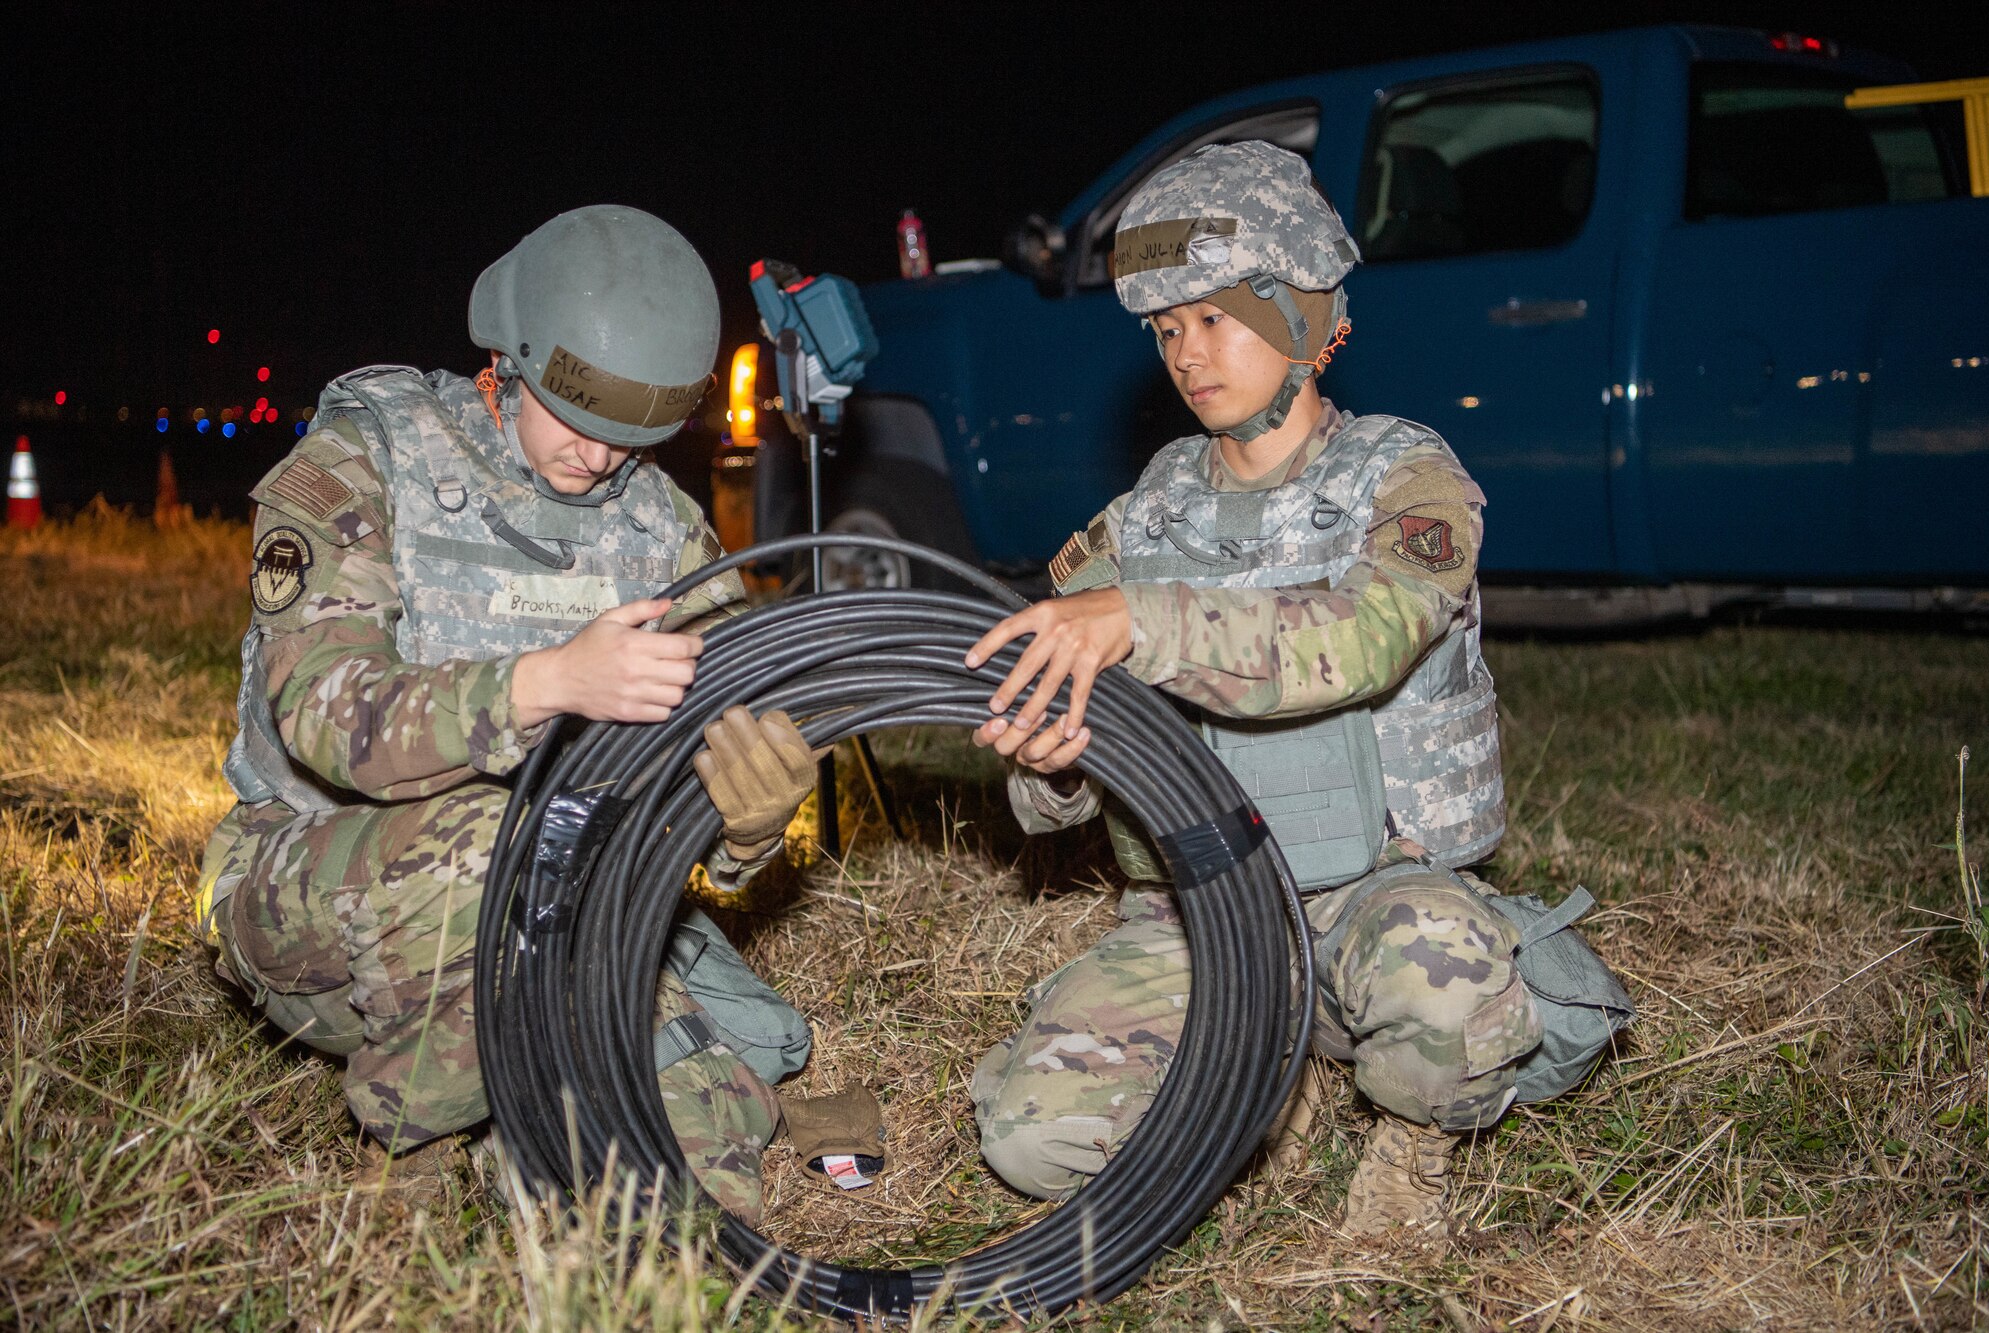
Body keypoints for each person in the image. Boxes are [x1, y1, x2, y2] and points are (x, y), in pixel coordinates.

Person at [963, 142, 1632, 1236]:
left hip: (1369, 892)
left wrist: (1145, 620)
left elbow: (1365, 638)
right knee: (1035, 1137)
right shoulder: (1140, 523)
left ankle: (1412, 1144)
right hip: (1192, 910)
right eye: (1165, 329)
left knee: (1445, 985)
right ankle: (1272, 1082)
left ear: (1303, 316)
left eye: (1214, 316)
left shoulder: (1404, 480)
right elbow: (1052, 762)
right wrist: (1052, 771)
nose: (1187, 352)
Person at [195, 206, 819, 1221]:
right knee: (524, 852)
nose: (599, 459)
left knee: (707, 1128)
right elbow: (321, 715)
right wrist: (550, 682)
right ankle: (410, 1125)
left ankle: (533, 1117)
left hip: (565, 902)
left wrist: (747, 827)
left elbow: (697, 772)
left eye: (634, 436)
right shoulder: (370, 458)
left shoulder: (662, 528)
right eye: (580, 420)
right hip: (317, 874)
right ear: (513, 359)